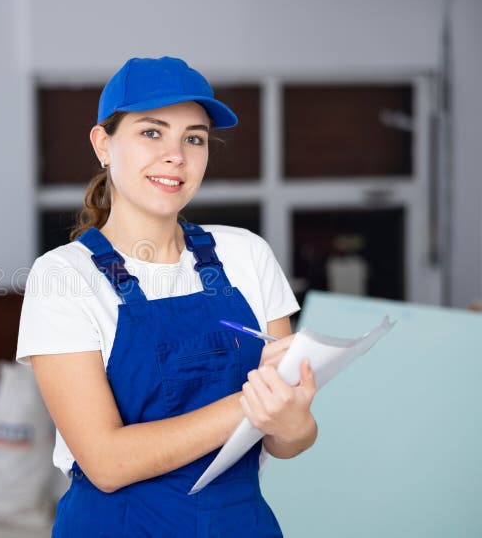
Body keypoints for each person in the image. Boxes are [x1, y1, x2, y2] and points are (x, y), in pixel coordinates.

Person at [16, 56, 318, 537]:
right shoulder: (62, 276)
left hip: (240, 523)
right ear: (103, 144)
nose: (176, 155)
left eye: (194, 138)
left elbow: (289, 441)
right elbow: (107, 463)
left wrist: (290, 416)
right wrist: (250, 404)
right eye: (151, 133)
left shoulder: (246, 254)